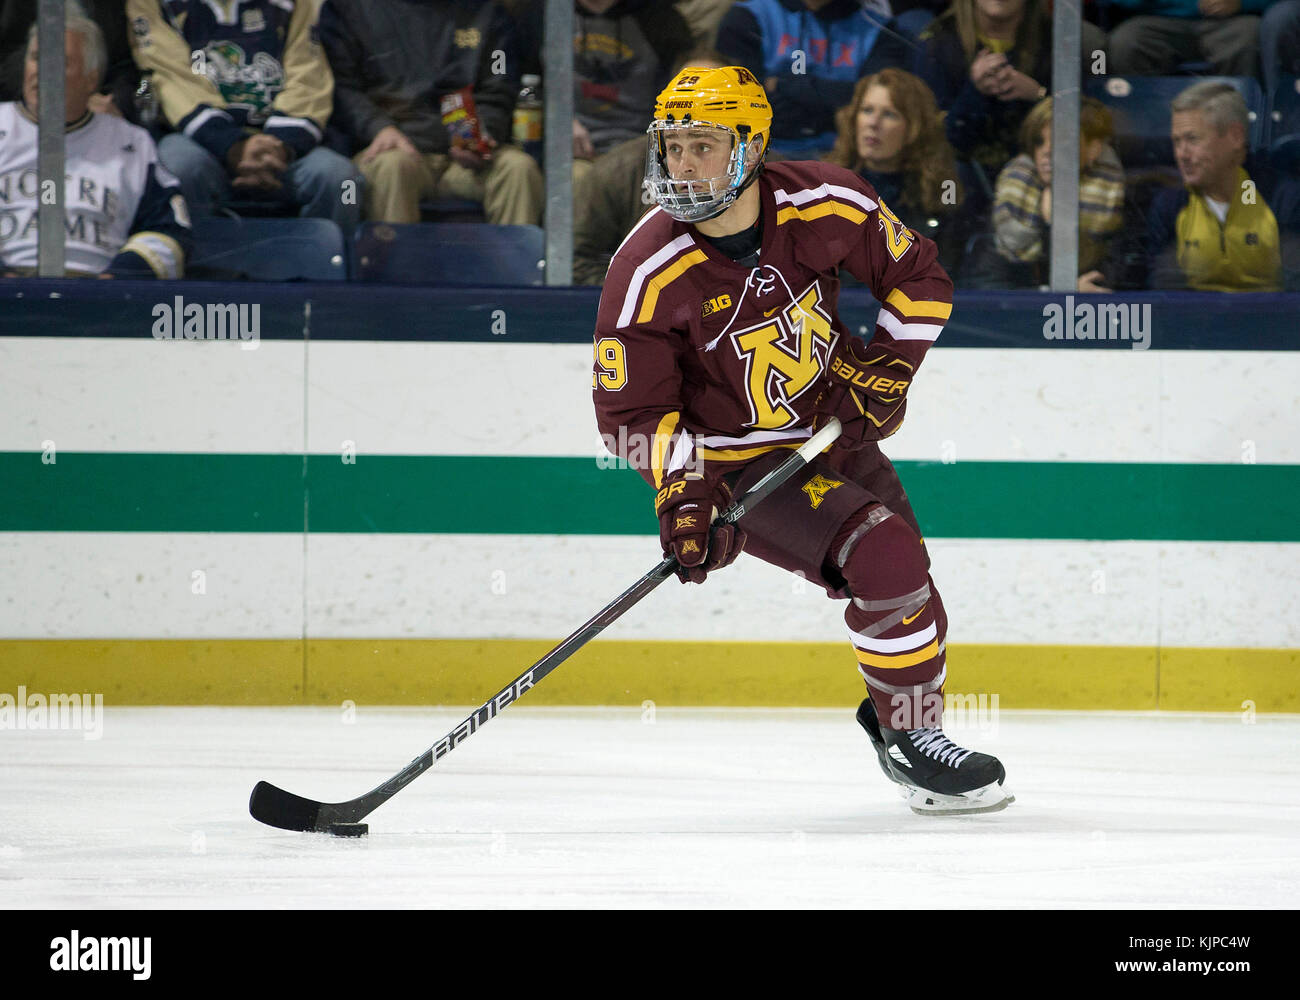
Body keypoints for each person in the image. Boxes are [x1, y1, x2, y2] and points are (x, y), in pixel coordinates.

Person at [592, 65, 1013, 814]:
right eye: (672, 147)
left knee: (906, 578)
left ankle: (904, 730)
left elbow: (918, 275)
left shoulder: (825, 199)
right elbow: (630, 417)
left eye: (703, 146)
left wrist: (885, 368)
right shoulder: (645, 269)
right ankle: (913, 741)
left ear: (751, 148)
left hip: (828, 428)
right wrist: (684, 487)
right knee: (884, 555)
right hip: (741, 463)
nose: (682, 166)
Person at [127, 0, 360, 229]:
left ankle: (328, 263)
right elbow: (169, 76)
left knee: (344, 181)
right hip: (199, 142)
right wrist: (232, 145)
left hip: (282, 148)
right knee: (180, 167)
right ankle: (190, 261)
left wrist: (280, 147)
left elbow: (309, 76)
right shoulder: (153, 4)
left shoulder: (300, 4)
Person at [319, 0, 542, 226]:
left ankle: (514, 262)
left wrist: (474, 136)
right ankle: (397, 262)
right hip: (392, 146)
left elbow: (498, 85)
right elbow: (341, 87)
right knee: (391, 167)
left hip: (463, 150)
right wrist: (378, 127)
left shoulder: (487, 12)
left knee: (518, 169)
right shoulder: (350, 8)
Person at [0, 15, 191, 278]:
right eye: (35, 58)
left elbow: (169, 230)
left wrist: (120, 278)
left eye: (61, 62)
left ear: (91, 79)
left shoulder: (131, 143)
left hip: (99, 302)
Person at [915, 0, 1106, 187]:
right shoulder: (936, 42)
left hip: (1041, 177)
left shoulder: (1061, 41)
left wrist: (1038, 96)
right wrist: (974, 92)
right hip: (960, 181)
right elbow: (932, 141)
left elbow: (1086, 127)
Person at [1143, 80, 1297, 290]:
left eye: (1192, 139)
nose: (1182, 154)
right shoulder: (1169, 207)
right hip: (1194, 321)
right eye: (1177, 142)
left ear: (1235, 136)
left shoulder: (1284, 200)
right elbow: (1164, 295)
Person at [823, 67, 975, 278]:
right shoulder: (823, 190)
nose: (873, 123)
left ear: (915, 128)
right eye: (867, 110)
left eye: (889, 114)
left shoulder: (940, 197)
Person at [966, 96, 1125, 290]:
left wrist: (1058, 223)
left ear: (1094, 149)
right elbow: (984, 293)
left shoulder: (1116, 202)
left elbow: (1122, 286)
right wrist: (1055, 292)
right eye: (1039, 142)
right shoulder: (1013, 197)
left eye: (1059, 142)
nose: (1046, 151)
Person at [717, 0, 909, 158]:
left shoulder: (879, 28)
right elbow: (740, 105)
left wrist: (783, 85)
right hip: (761, 150)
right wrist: (835, 100)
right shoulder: (748, 17)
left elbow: (879, 100)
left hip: (850, 154)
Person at [1106, 0, 1263, 77]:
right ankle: (1135, 131)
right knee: (1125, 42)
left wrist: (1242, 3)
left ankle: (1241, 126)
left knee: (1249, 36)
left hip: (1234, 19)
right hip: (1157, 18)